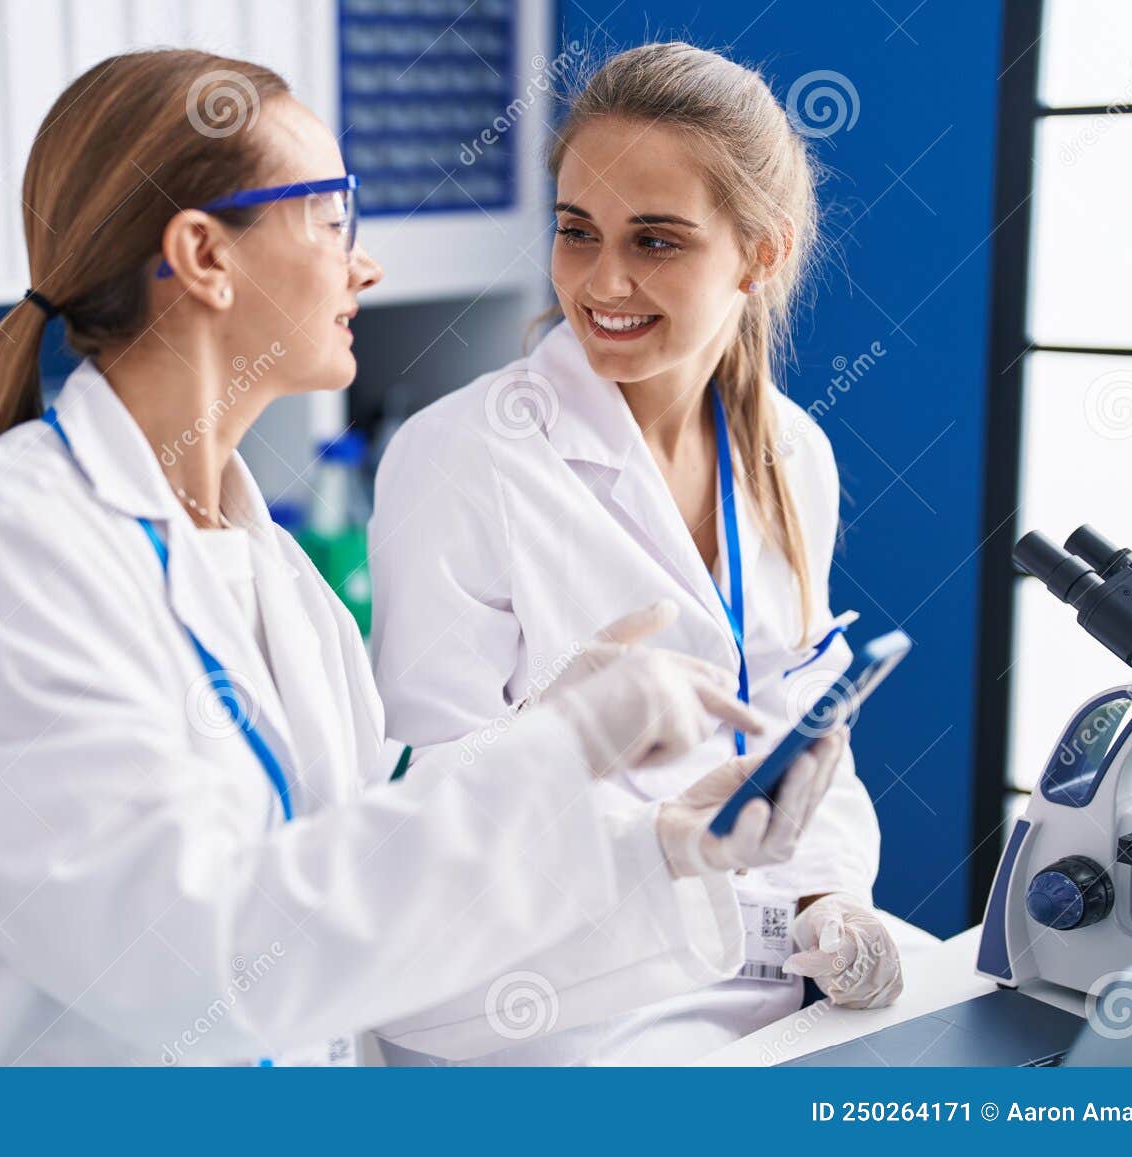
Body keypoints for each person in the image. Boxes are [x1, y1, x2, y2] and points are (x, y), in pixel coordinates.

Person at [0, 48, 844, 1066]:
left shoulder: (278, 580)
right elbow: (184, 964)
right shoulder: (2, 546)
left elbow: (367, 885)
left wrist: (653, 848)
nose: (366, 262)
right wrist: (557, 753)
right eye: (330, 217)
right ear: (205, 255)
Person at [370, 42, 903, 1067]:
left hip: (762, 974)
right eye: (576, 232)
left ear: (761, 255)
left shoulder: (793, 452)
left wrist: (833, 895)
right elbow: (422, 814)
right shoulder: (460, 457)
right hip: (552, 1000)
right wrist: (554, 737)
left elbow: (799, 734)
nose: (600, 280)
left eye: (655, 240)